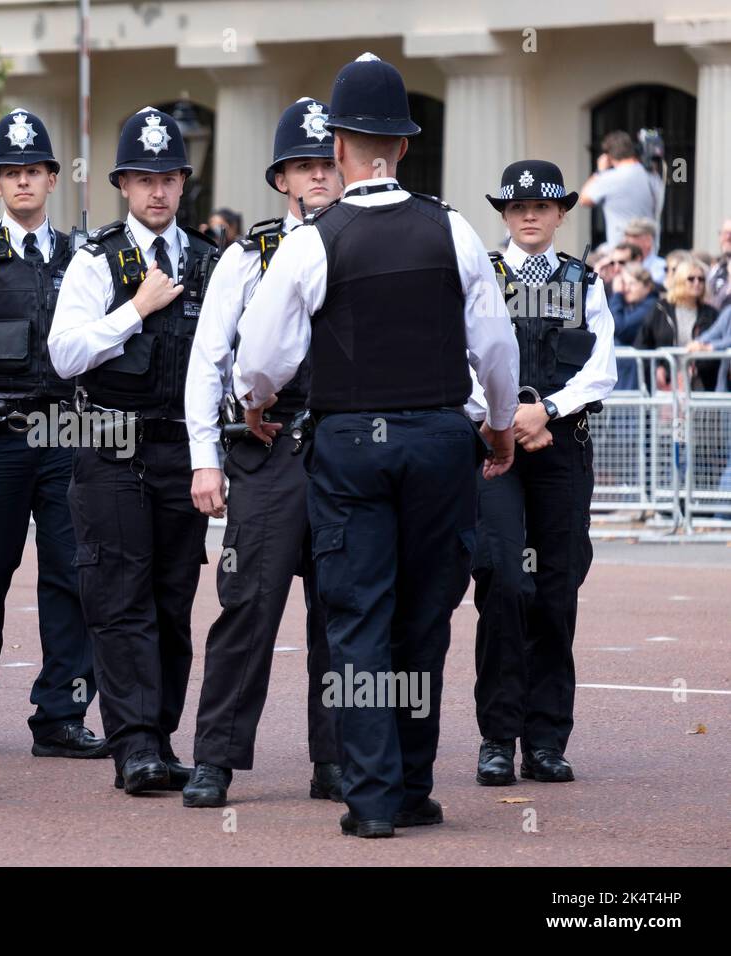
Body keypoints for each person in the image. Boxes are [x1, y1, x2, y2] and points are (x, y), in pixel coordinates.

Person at [233, 53, 520, 838]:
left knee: (358, 618)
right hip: (437, 438)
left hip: (352, 441)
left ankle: (370, 797)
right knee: (425, 617)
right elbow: (495, 346)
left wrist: (257, 406)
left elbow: (261, 355)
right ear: (403, 143)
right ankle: (414, 785)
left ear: (337, 149)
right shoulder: (452, 227)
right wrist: (497, 425)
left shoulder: (313, 240)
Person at [49, 106, 221, 795]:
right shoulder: (96, 261)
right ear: (122, 183)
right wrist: (137, 309)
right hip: (110, 447)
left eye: (169, 177)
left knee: (172, 600)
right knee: (119, 599)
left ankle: (162, 734)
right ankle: (135, 746)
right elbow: (64, 354)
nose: (158, 191)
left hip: (181, 448)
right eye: (144, 178)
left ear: (184, 182)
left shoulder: (211, 262)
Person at [181, 97, 343, 808]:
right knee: (247, 607)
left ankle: (337, 760)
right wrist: (204, 457)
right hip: (267, 453)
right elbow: (207, 361)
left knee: (344, 615)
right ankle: (216, 756)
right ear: (280, 178)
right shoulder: (248, 256)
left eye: (326, 163)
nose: (317, 177)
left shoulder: (365, 243)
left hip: (346, 449)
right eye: (302, 166)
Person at [0, 108, 107, 759]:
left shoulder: (82, 256)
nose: (24, 182)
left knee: (74, 575)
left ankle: (61, 713)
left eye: (34, 170)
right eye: (12, 173)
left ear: (52, 178)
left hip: (65, 434)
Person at [470, 160, 617, 788]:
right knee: (504, 584)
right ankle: (498, 739)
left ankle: (547, 740)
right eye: (517, 206)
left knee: (555, 591)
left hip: (560, 445)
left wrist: (547, 410)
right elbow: (461, 357)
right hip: (495, 447)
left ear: (561, 213)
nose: (529, 215)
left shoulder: (585, 281)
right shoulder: (480, 275)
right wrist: (504, 417)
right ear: (504, 214)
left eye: (542, 206)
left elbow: (603, 366)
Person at [634, 257, 721, 392]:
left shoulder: (711, 314)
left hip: (700, 386)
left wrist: (697, 368)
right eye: (691, 279)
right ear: (680, 281)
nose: (697, 283)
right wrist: (656, 367)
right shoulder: (660, 309)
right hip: (666, 387)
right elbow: (642, 343)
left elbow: (717, 347)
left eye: (701, 279)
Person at [579, 131, 664, 248]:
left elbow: (584, 199)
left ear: (608, 156)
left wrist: (599, 171)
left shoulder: (610, 178)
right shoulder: (652, 175)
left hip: (621, 249)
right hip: (648, 246)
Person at [608, 262, 660, 391]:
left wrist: (617, 295)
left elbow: (618, 328)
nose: (626, 289)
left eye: (632, 284)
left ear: (647, 287)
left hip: (640, 380)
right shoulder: (630, 305)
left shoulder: (651, 305)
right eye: (624, 284)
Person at [622, 217, 666, 287]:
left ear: (648, 240)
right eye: (626, 236)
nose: (625, 241)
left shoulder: (662, 268)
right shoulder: (618, 265)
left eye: (633, 236)